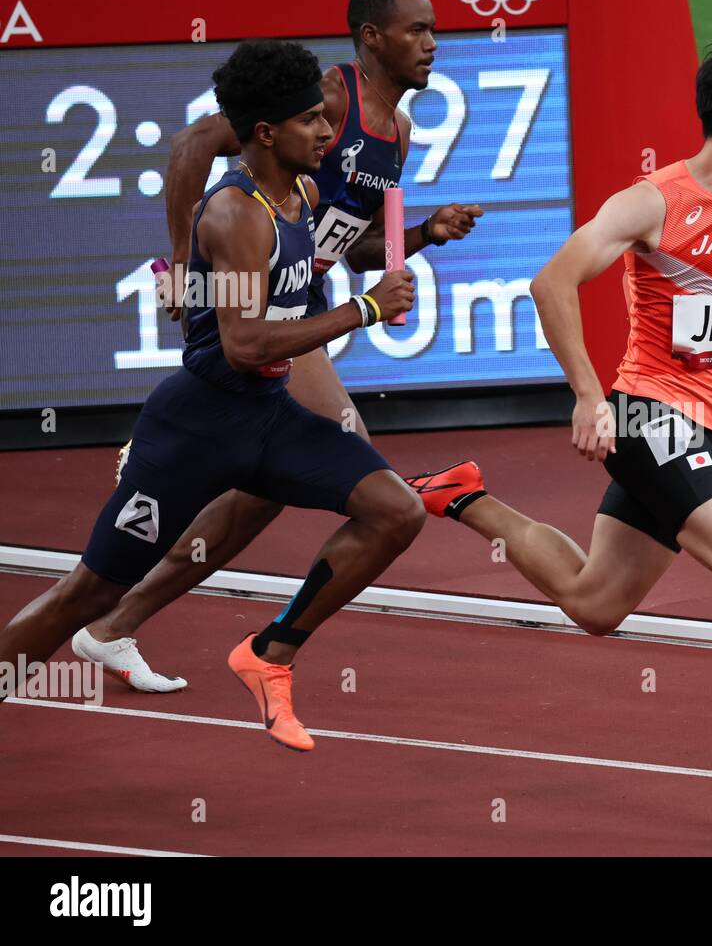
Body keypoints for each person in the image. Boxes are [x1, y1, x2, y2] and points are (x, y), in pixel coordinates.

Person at [408, 31, 712, 806]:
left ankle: (464, 496)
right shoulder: (651, 203)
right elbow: (551, 283)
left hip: (707, 427)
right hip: (645, 413)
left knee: (595, 604)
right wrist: (590, 396)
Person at [0, 39, 427, 753]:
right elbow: (247, 345)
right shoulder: (235, 213)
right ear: (266, 133)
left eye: (326, 119)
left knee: (394, 510)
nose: (328, 133)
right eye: (312, 122)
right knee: (88, 593)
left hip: (269, 419)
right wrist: (368, 310)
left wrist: (419, 239)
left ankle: (269, 650)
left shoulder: (306, 195)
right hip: (197, 426)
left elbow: (315, 286)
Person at [72, 0, 481, 692]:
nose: (432, 43)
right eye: (417, 30)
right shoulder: (329, 97)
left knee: (265, 489)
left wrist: (421, 236)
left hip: (302, 304)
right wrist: (182, 266)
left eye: (434, 31)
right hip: (257, 312)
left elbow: (351, 253)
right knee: (354, 468)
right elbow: (194, 143)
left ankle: (114, 624)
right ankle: (178, 589)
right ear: (372, 38)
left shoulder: (400, 132)